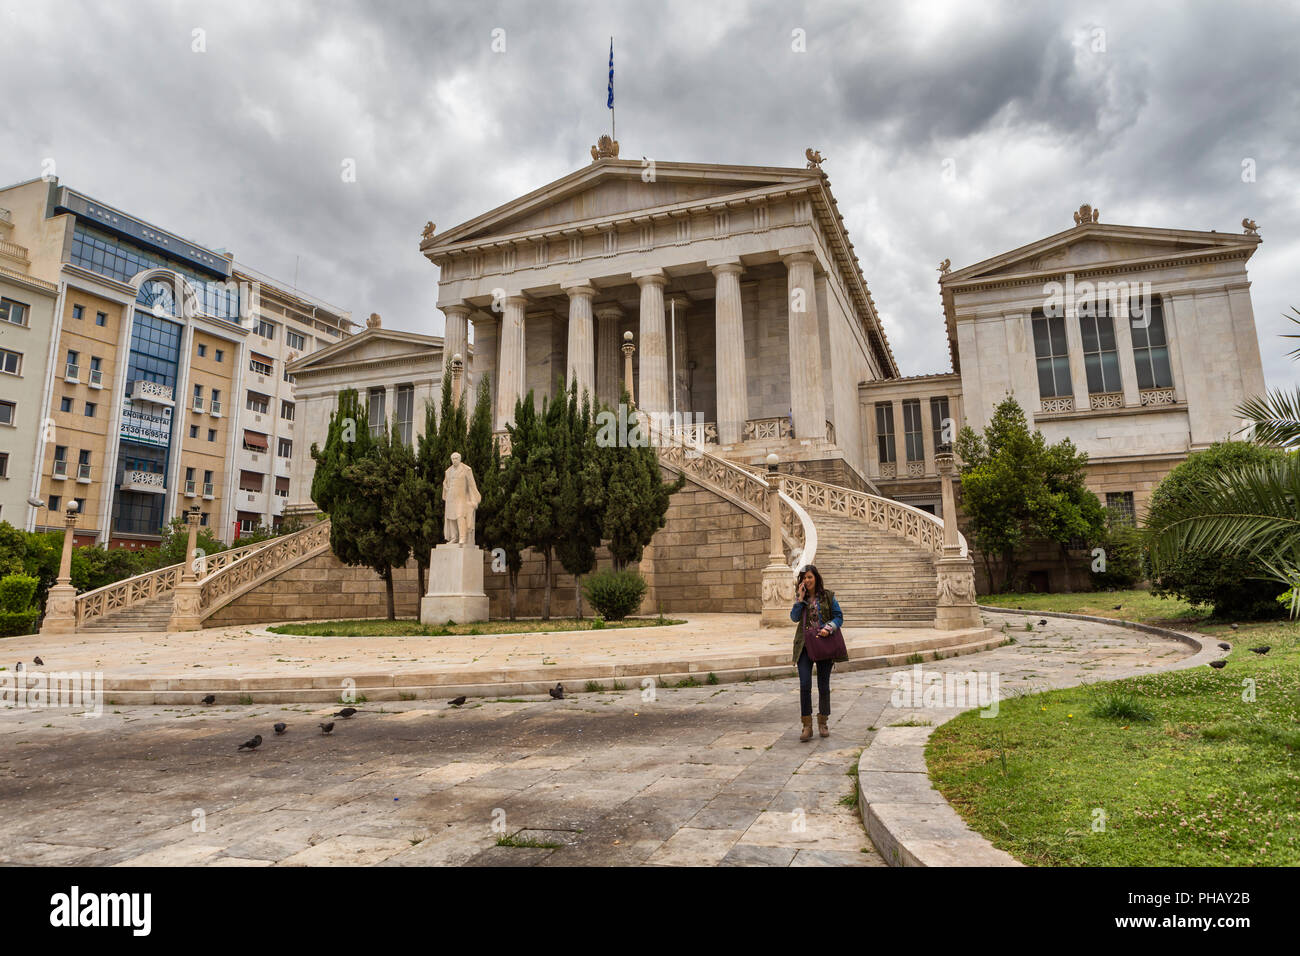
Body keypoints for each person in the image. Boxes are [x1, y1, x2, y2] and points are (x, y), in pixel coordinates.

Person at [790, 564, 846, 742]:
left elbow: (839, 616)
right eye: (804, 578)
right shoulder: (802, 599)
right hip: (805, 647)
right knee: (805, 684)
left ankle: (823, 722)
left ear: (816, 578)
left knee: (823, 685)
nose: (807, 580)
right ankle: (807, 725)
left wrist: (828, 628)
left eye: (809, 577)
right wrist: (800, 598)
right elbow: (794, 618)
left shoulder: (828, 596)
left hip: (823, 644)